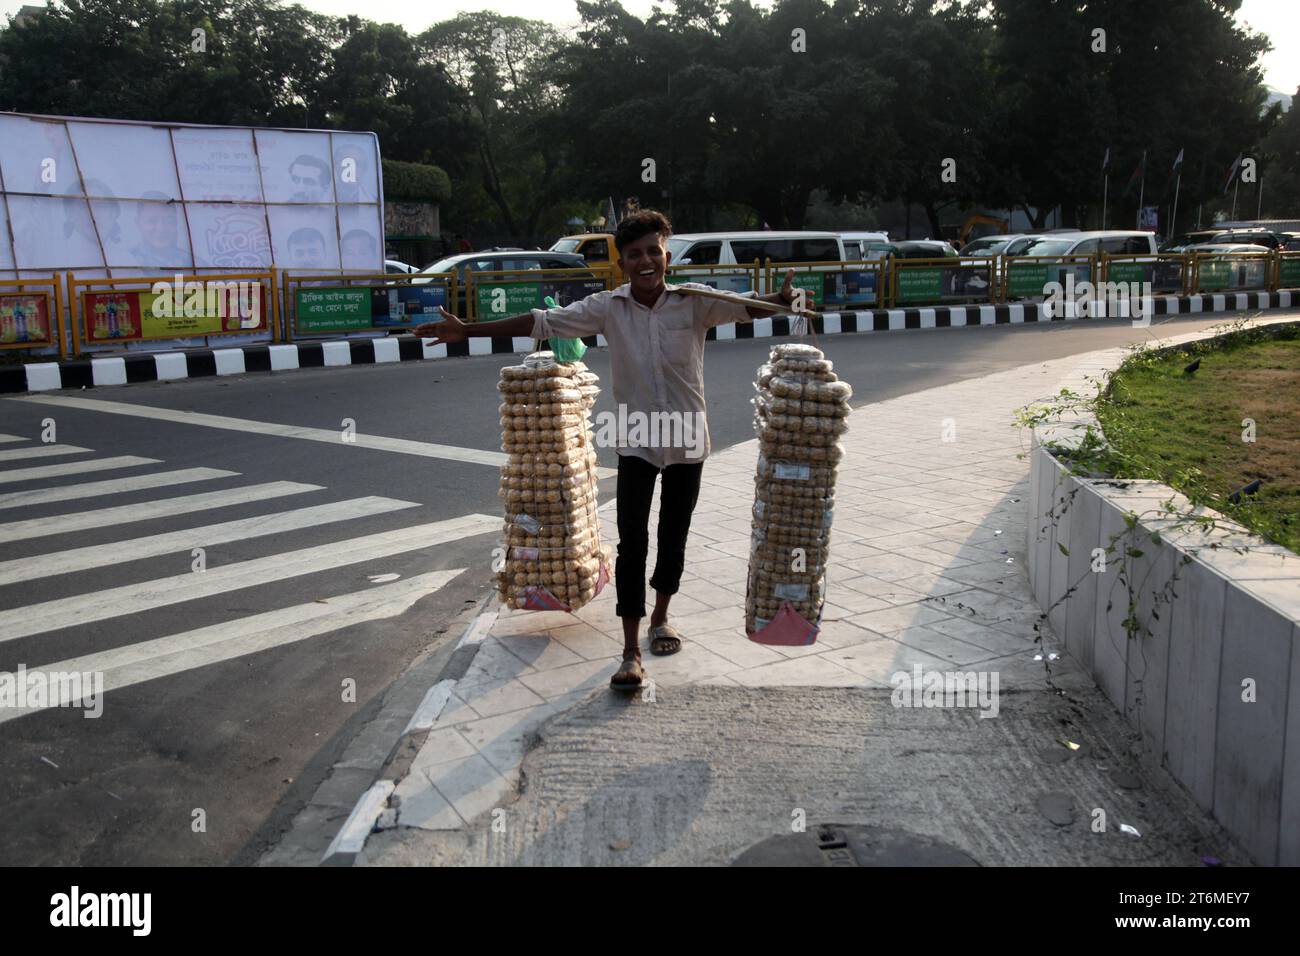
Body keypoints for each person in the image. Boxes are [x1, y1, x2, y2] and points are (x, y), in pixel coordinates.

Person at [414, 209, 809, 688]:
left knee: (674, 535)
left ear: (666, 255)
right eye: (635, 255)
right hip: (638, 439)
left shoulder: (694, 303)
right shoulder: (607, 308)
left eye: (654, 252)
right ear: (623, 263)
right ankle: (628, 650)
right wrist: (468, 331)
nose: (646, 262)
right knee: (632, 543)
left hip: (687, 438)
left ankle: (662, 616)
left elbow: (746, 305)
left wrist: (781, 300)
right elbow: (544, 322)